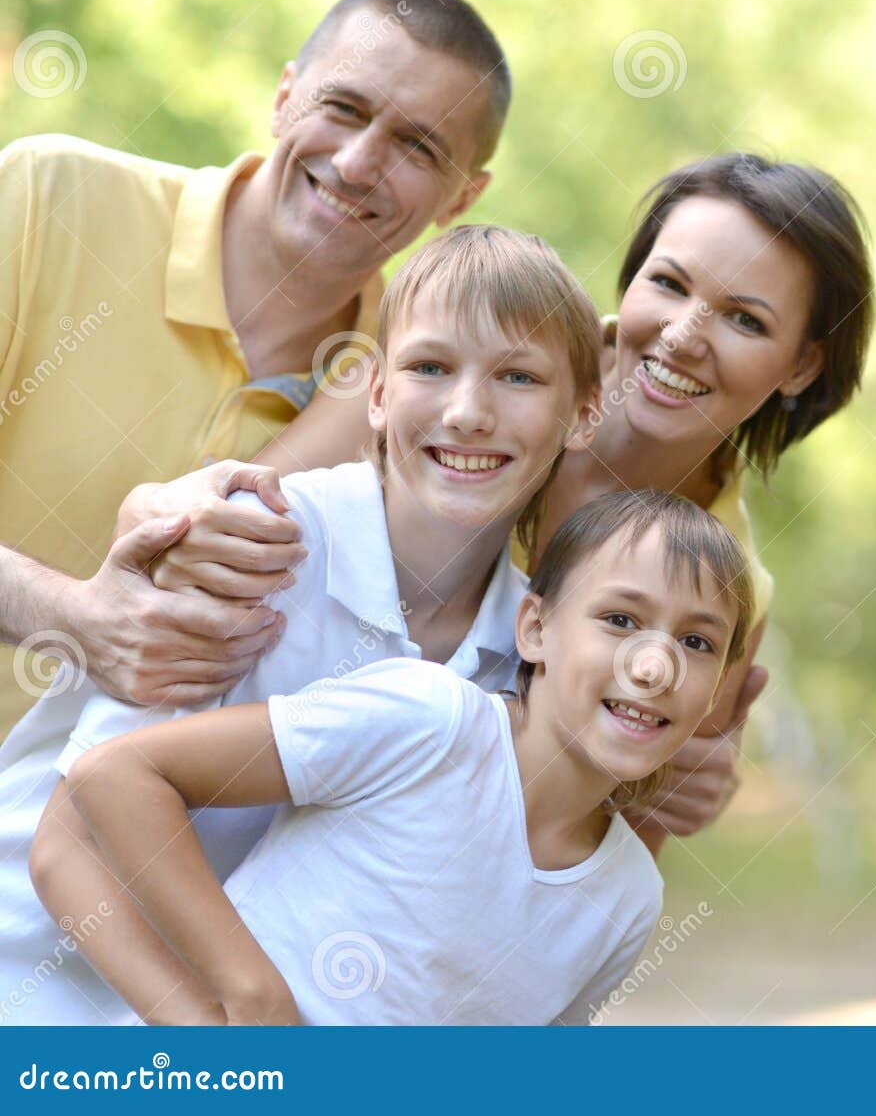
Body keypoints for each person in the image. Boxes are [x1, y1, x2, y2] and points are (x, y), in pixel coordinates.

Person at [118, 153, 876, 849]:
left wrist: (662, 787)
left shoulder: (726, 583)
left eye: (746, 319)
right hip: (176, 795)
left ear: (802, 366)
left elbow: (589, 853)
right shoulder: (456, 363)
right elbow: (225, 522)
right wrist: (161, 512)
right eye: (669, 284)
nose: (682, 335)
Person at [8, 224, 601, 1024]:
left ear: (584, 414)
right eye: (430, 367)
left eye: (518, 376)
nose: (468, 412)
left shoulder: (527, 662)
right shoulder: (254, 548)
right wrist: (228, 1044)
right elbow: (64, 846)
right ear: (378, 394)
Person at [0, 0, 508, 734]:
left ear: (462, 198)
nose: (358, 162)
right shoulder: (50, 197)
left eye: (417, 147)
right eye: (344, 108)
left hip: (110, 807)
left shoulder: (420, 392)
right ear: (284, 98)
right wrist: (72, 617)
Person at [45, 491, 754, 1024]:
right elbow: (117, 775)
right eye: (620, 620)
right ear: (535, 629)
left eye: (697, 642)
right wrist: (238, 1001)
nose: (654, 666)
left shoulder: (629, 898)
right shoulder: (431, 721)